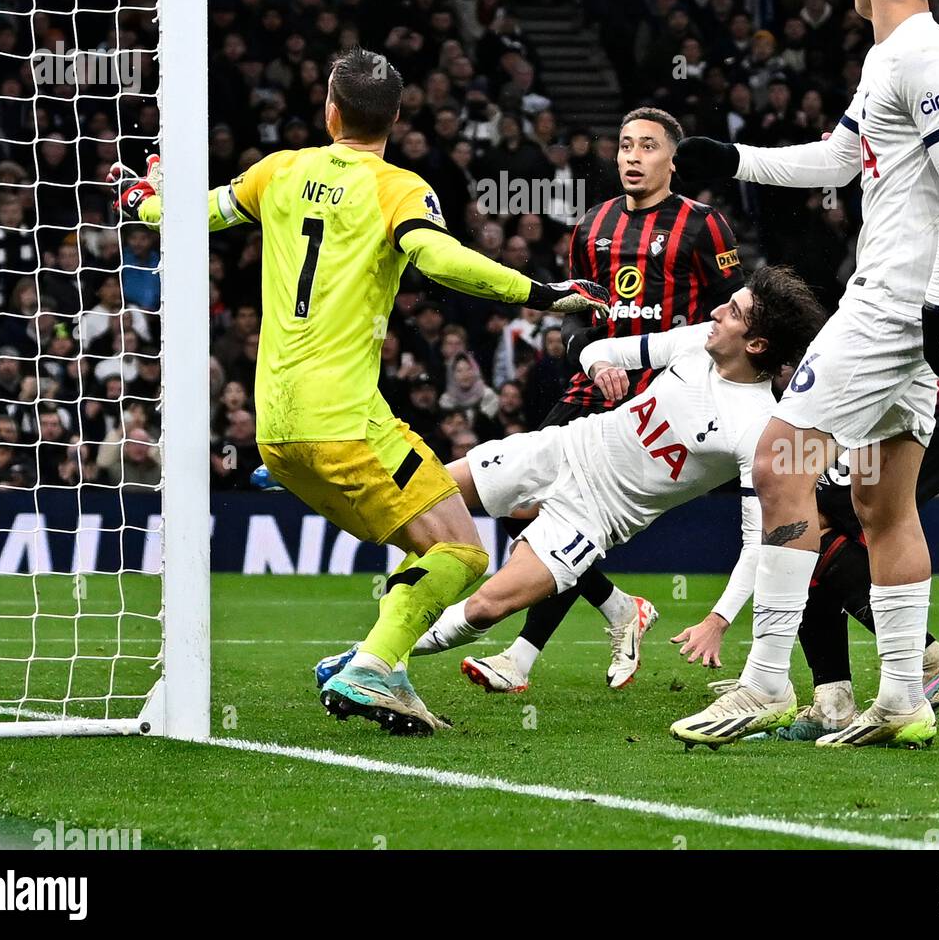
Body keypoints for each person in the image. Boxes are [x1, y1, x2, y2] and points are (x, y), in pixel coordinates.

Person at [110, 49, 608, 736]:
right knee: (461, 553)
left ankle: (386, 666)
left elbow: (189, 218)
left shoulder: (278, 170)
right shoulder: (398, 188)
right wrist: (544, 295)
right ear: (396, 117)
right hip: (344, 422)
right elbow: (438, 257)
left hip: (277, 432)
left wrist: (145, 196)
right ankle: (373, 665)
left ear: (330, 109)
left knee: (423, 543)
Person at [672, 0, 939, 749]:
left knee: (780, 460)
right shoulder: (893, 56)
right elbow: (836, 158)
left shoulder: (923, 52)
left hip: (891, 306)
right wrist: (734, 161)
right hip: (904, 310)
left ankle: (765, 683)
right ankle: (899, 698)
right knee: (881, 503)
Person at [407, 270, 824, 676]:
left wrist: (719, 619)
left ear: (757, 344)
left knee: (484, 608)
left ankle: (371, 657)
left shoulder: (757, 428)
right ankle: (376, 657)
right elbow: (598, 350)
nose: (715, 312)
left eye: (733, 312)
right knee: (418, 494)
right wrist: (601, 368)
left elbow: (757, 542)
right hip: (562, 449)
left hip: (593, 516)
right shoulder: (696, 341)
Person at [462, 107, 744, 693]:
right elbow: (581, 319)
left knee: (568, 524)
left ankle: (520, 657)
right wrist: (590, 353)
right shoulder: (591, 226)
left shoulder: (705, 226)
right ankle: (619, 610)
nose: (632, 157)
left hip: (663, 401)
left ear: (672, 159)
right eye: (624, 146)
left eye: (647, 147)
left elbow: (733, 316)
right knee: (530, 512)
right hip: (593, 385)